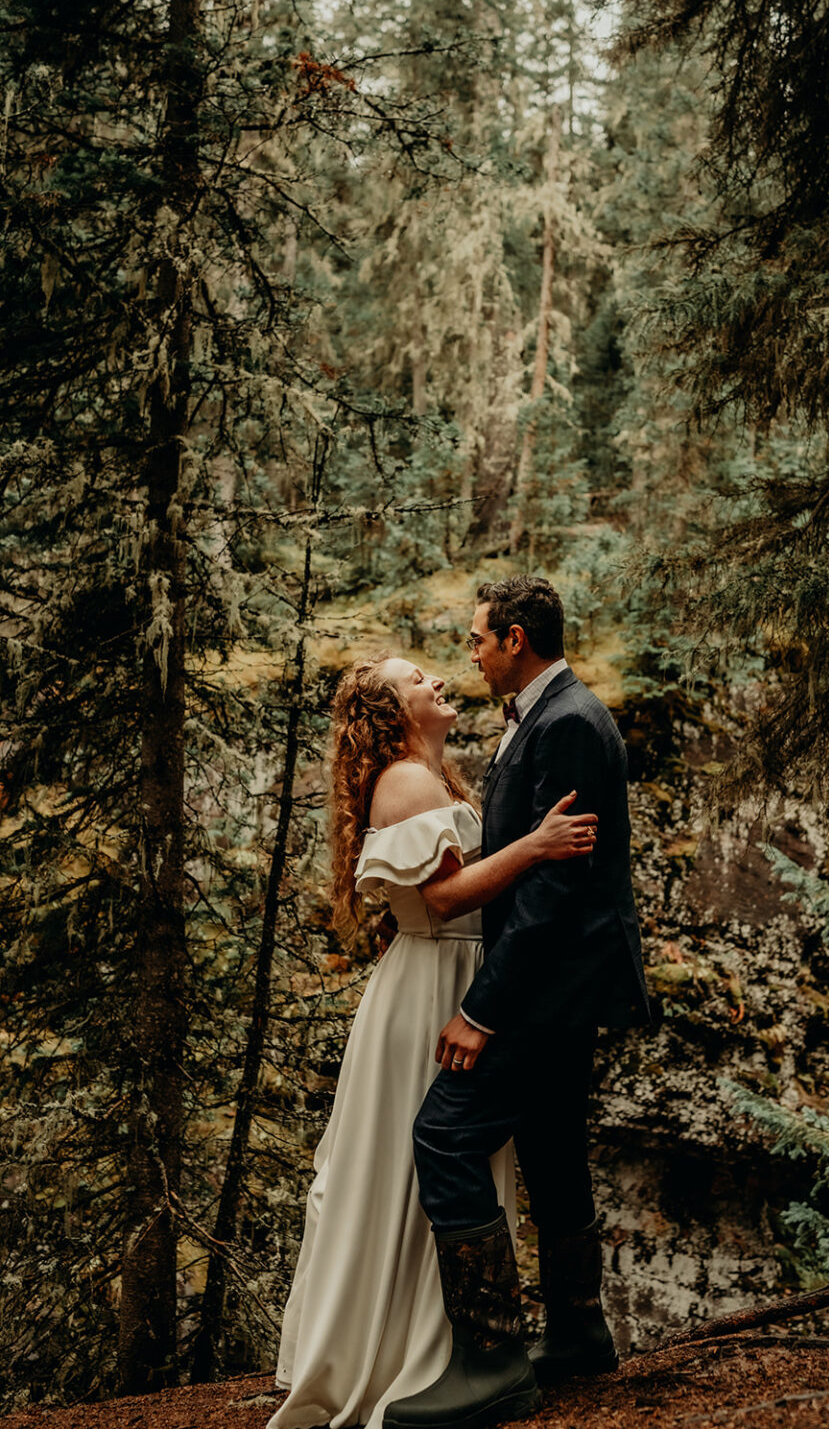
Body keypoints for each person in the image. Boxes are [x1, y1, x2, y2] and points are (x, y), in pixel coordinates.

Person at [268, 652, 598, 1429]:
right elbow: (445, 900)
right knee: (426, 1155)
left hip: (450, 976)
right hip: (434, 987)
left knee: (432, 1164)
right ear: (391, 710)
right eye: (417, 679)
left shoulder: (430, 776)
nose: (438, 681)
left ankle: (451, 1347)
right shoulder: (407, 782)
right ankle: (427, 1353)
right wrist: (538, 846)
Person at [383, 576, 650, 1429]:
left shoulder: (567, 721)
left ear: (518, 638)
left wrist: (481, 1012)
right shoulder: (546, 715)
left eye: (478, 638)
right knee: (548, 1143)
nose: (470, 652)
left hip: (545, 990)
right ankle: (578, 1332)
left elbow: (551, 898)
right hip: (555, 987)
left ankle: (493, 1357)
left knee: (445, 1134)